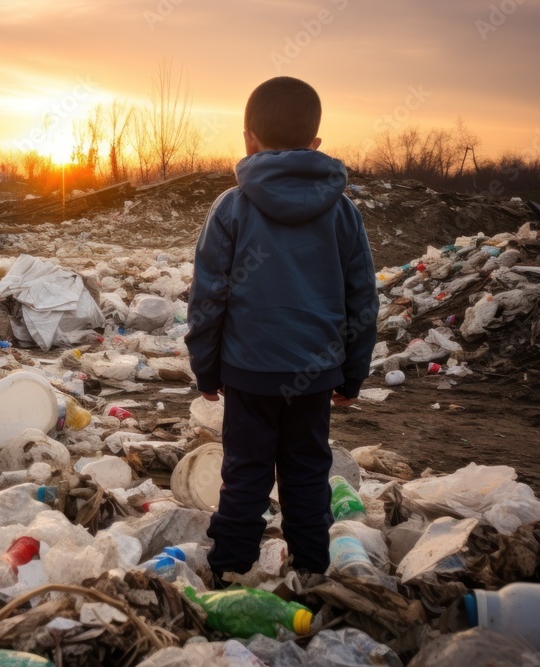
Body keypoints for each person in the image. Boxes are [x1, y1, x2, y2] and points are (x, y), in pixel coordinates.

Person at [185, 76, 378, 580]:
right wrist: (351, 376)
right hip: (314, 374)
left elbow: (208, 299)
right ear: (316, 144)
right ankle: (311, 571)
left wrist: (206, 371)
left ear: (248, 138)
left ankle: (228, 570)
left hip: (249, 372)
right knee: (308, 474)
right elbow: (362, 300)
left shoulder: (231, 209)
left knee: (245, 472)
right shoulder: (343, 213)